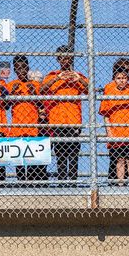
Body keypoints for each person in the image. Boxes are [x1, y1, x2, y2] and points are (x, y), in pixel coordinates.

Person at [41, 46, 89, 184]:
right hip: (57, 120)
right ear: (58, 59)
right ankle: (62, 182)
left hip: (74, 120)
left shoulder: (78, 75)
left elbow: (89, 90)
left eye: (67, 57)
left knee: (73, 153)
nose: (65, 60)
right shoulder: (52, 75)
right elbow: (42, 89)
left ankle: (73, 182)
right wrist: (58, 78)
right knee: (61, 153)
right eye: (62, 57)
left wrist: (78, 79)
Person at [99, 59, 129, 184]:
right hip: (116, 130)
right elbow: (105, 112)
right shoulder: (109, 88)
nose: (122, 80)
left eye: (124, 77)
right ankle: (120, 184)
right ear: (114, 78)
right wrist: (109, 131)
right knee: (119, 159)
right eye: (118, 78)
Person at [7, 55, 46, 182]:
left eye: (24, 68)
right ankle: (21, 183)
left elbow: (41, 105)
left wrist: (34, 94)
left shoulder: (34, 84)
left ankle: (31, 184)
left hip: (33, 129)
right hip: (17, 129)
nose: (21, 71)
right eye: (18, 68)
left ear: (28, 68)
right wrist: (11, 94)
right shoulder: (12, 85)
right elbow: (6, 106)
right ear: (15, 70)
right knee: (19, 161)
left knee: (32, 164)